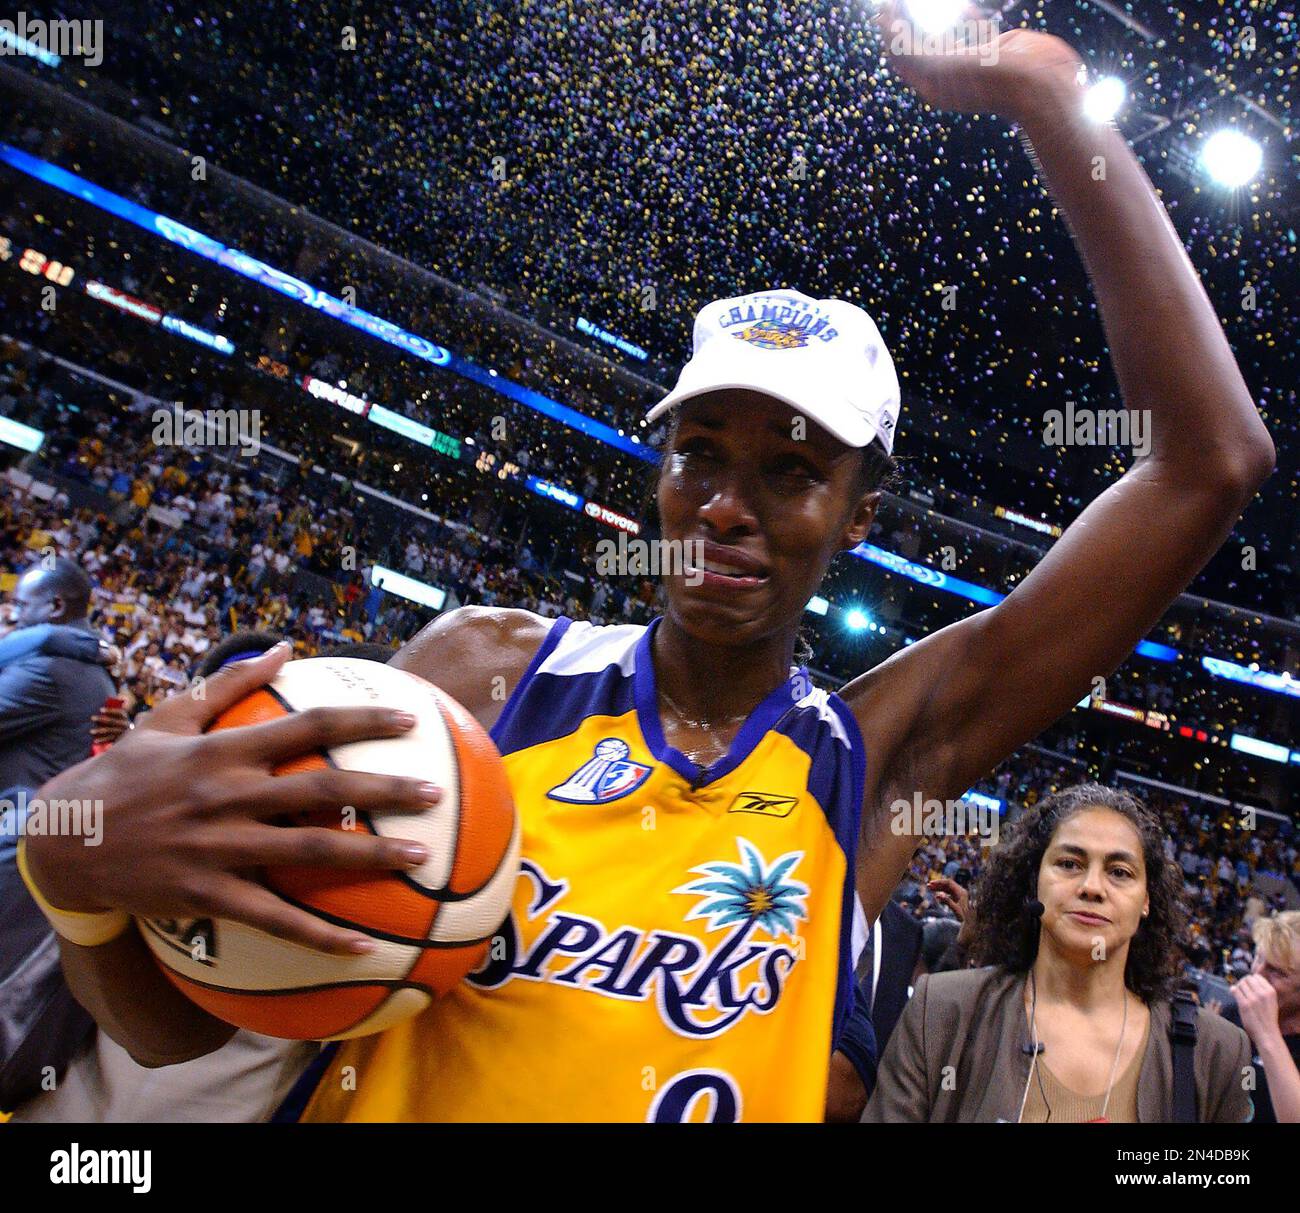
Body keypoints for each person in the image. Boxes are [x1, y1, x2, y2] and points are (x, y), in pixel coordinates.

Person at [20, 6, 1275, 1122]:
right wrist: (77, 882)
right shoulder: (480, 667)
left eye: (790, 470)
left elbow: (1207, 463)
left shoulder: (878, 755)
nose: (727, 505)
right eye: (698, 455)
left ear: (858, 516)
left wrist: (1044, 98)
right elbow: (193, 1021)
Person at [864, 785, 1252, 1122]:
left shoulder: (1215, 1052)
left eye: (1120, 872)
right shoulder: (944, 1011)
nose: (1092, 887)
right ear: (1034, 883)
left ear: (1147, 900)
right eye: (1069, 864)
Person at [0, 558, 116, 812]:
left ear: (55, 606)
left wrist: (42, 637)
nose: (14, 615)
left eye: (21, 605)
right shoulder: (90, 662)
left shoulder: (47, 669)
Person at [1222, 910, 1300, 1123]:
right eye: (1259, 958)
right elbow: (1245, 1083)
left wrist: (1267, 1035)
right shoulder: (1233, 1014)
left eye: (1277, 971)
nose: (1257, 974)